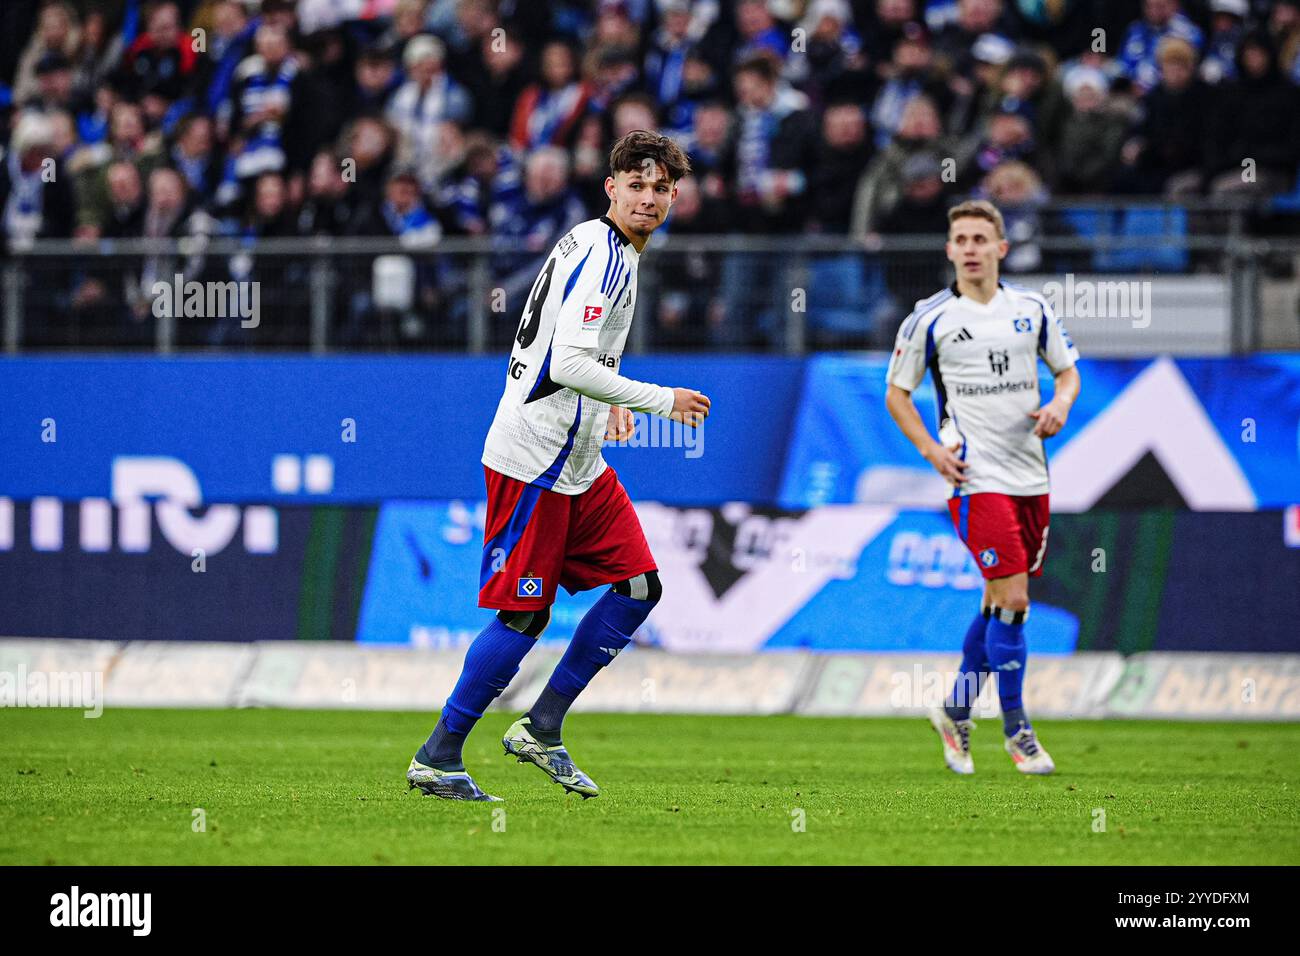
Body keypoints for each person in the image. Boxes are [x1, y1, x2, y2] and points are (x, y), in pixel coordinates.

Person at [407, 130, 711, 802]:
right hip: (535, 457)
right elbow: (565, 361)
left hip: (579, 455)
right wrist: (659, 400)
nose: (648, 198)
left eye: (661, 188)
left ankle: (542, 726)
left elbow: (575, 349)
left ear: (674, 197)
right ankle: (440, 754)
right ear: (612, 187)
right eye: (636, 185)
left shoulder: (590, 241)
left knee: (638, 587)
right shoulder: (607, 257)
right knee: (523, 615)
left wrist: (609, 398)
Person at [883, 199, 1081, 776]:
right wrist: (932, 451)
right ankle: (1019, 731)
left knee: (998, 600)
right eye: (960, 239)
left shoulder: (1032, 309)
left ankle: (954, 710)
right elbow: (897, 393)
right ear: (949, 250)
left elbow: (1067, 372)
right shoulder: (929, 317)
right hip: (974, 477)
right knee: (1015, 599)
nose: (969, 248)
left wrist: (1060, 405)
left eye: (979, 238)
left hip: (1031, 474)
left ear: (1001, 248)